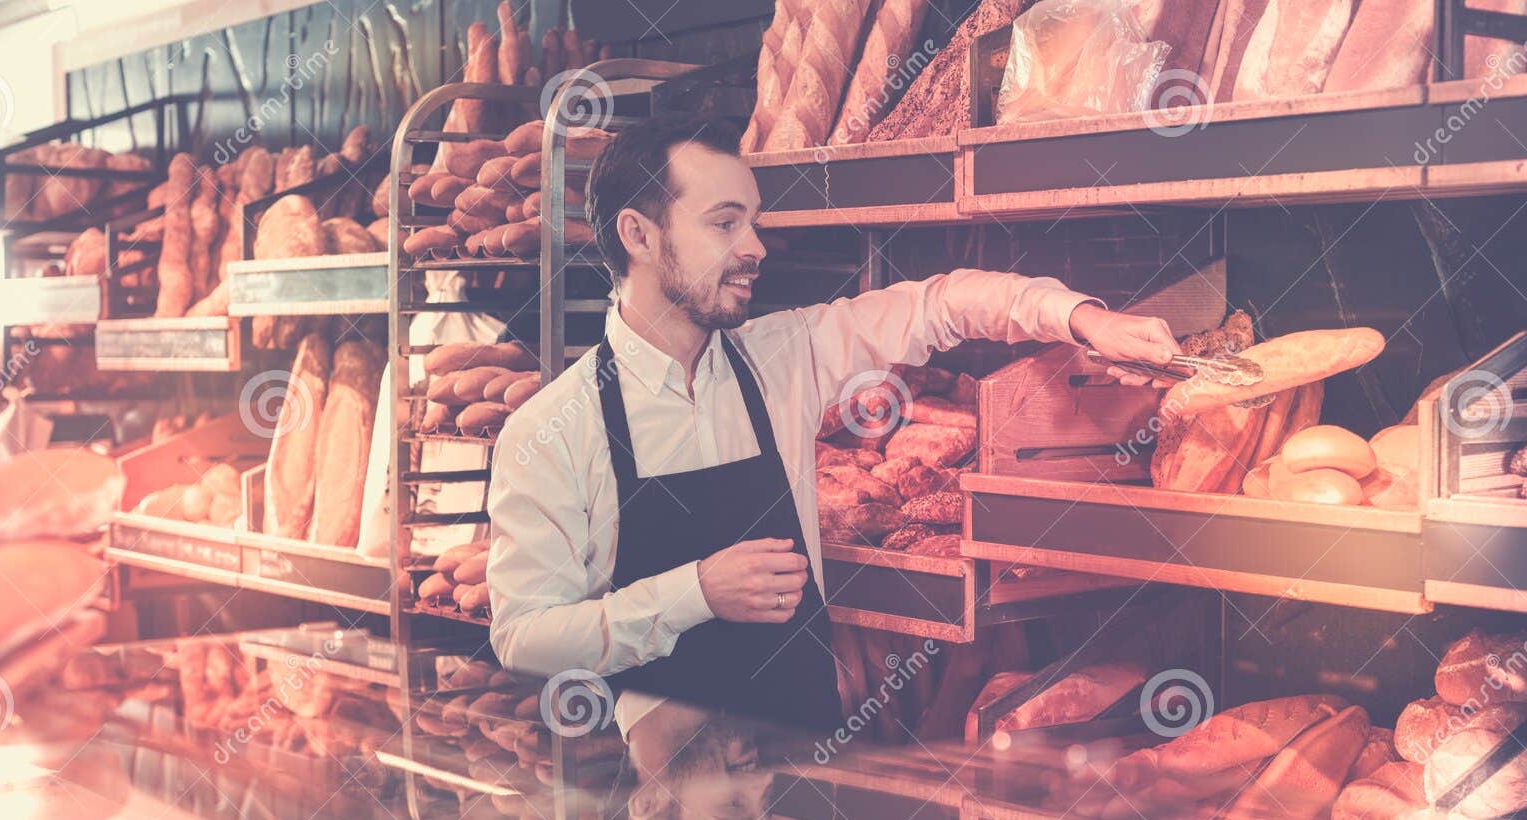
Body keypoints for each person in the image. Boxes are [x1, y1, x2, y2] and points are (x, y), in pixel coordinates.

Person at [487, 113, 1180, 739]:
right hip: (662, 814)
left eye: (753, 222)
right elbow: (523, 638)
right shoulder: (554, 430)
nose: (755, 247)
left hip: (803, 778)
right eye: (725, 223)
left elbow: (941, 306)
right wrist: (691, 593)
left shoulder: (779, 360)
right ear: (638, 234)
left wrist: (1086, 320)